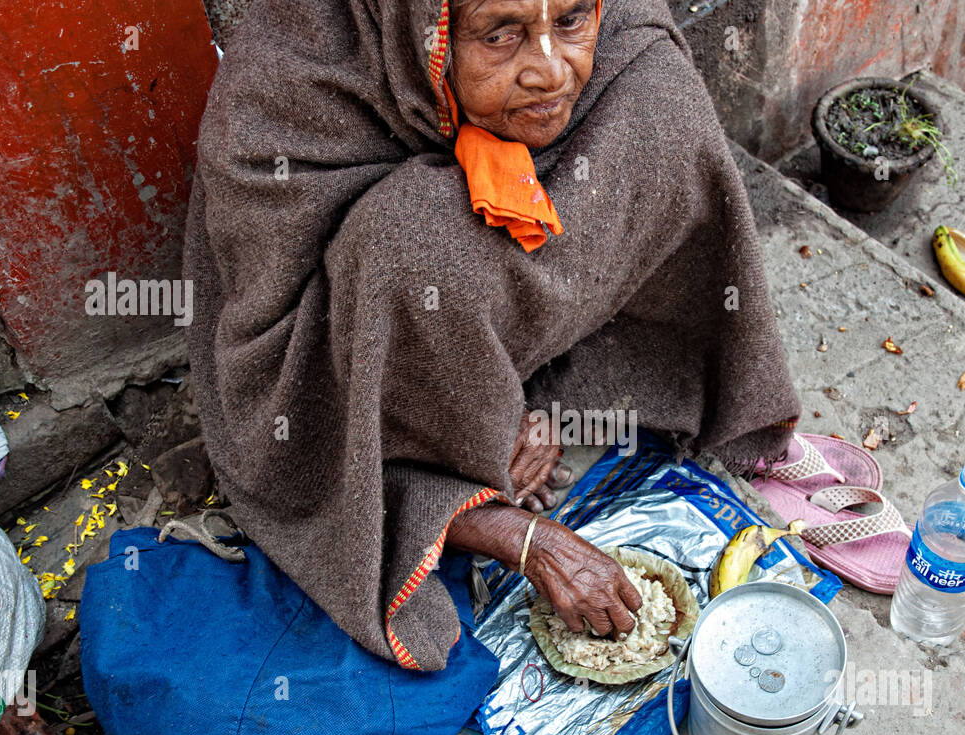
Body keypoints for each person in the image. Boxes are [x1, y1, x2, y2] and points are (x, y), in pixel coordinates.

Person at [182, 0, 801, 672]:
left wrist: (557, 398)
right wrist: (518, 533)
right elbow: (280, 375)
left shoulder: (593, 44)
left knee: (663, 100)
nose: (549, 72)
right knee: (409, 247)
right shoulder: (283, 95)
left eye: (570, 21)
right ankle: (452, 454)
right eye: (500, 35)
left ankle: (557, 383)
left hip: (506, 275)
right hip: (370, 325)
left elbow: (618, 53)